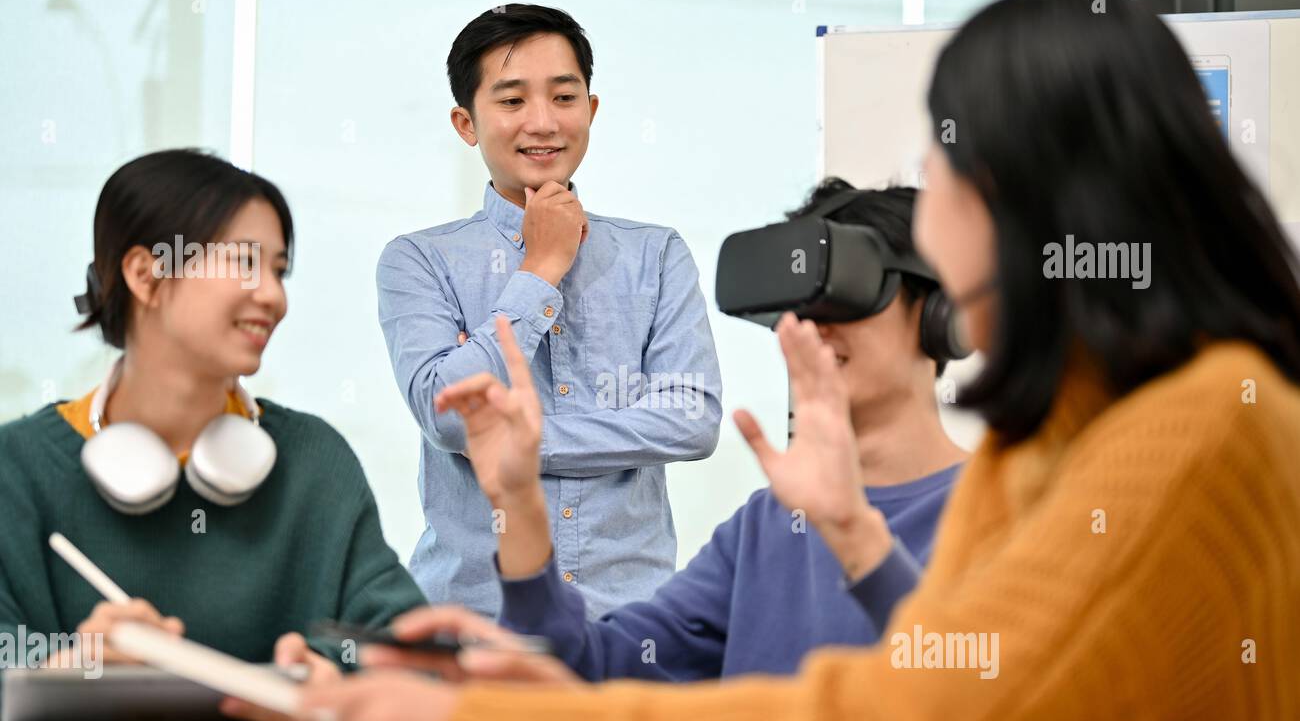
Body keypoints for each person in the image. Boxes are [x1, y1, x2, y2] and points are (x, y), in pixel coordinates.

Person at [303, 0, 1300, 721]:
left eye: (941, 165)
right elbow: (939, 686)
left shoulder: (1198, 429)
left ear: (1013, 195)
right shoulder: (1048, 451)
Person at [364, 184, 966, 683]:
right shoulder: (765, 526)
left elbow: (983, 700)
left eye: (850, 294)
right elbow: (592, 666)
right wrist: (519, 508)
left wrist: (855, 534)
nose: (814, 329)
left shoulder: (1009, 504)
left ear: (940, 313)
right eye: (802, 306)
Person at [0, 149, 427, 718]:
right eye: (247, 264)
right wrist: (70, 667)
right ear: (147, 275)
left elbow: (405, 650)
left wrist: (326, 676)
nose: (274, 296)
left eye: (279, 271)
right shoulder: (19, 467)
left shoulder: (313, 460)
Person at [377, 3, 721, 618]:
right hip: (472, 622)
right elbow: (446, 413)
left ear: (591, 110)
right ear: (466, 122)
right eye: (511, 102)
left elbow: (691, 418)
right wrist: (540, 271)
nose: (542, 122)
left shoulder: (657, 253)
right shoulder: (418, 260)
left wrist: (515, 441)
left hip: (626, 622)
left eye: (564, 97)